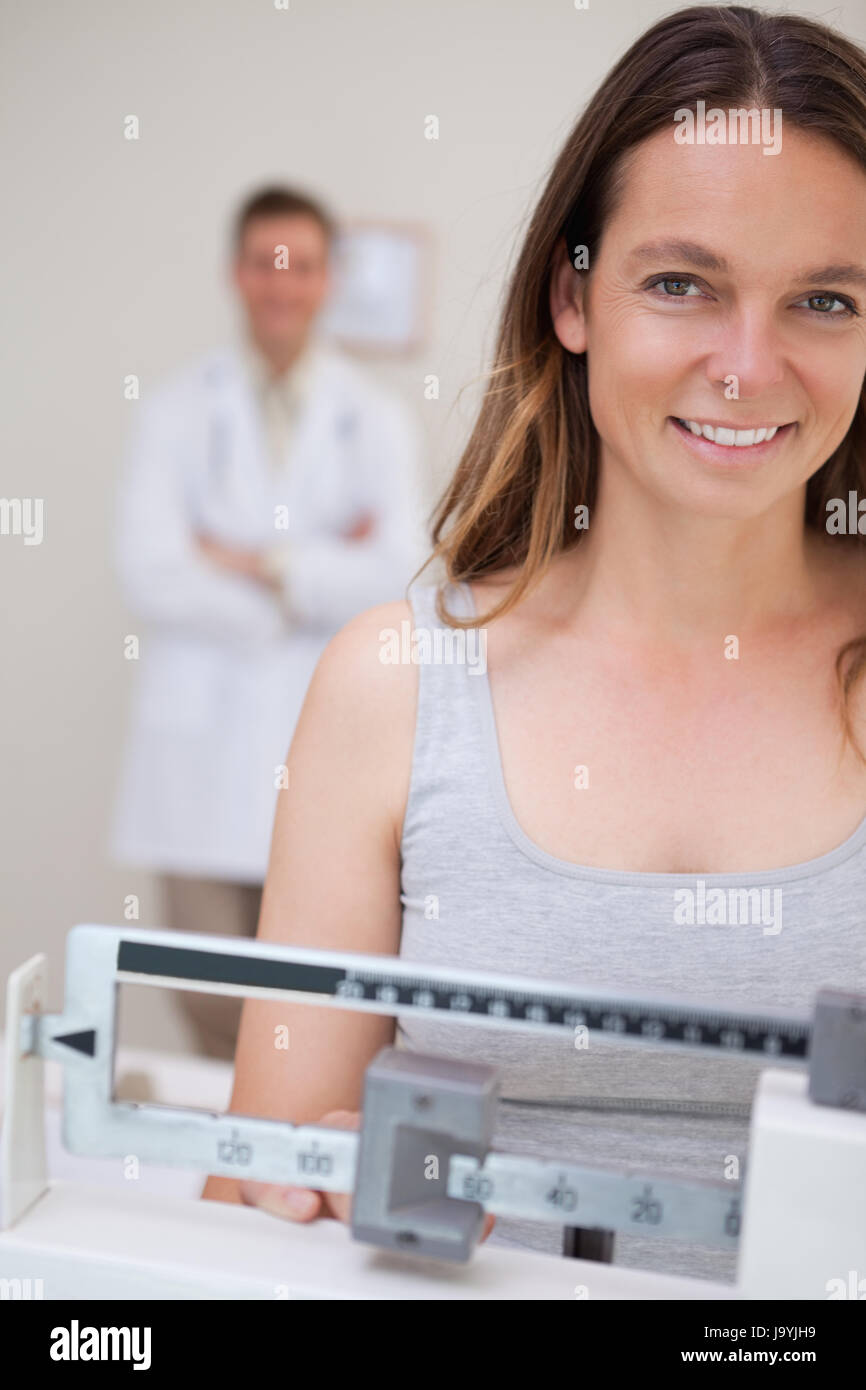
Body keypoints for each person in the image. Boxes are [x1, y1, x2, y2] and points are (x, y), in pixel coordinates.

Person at [202, 5, 866, 1285]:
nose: (746, 364)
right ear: (573, 295)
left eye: (823, 300)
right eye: (681, 282)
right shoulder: (391, 688)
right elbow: (252, 1182)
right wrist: (306, 1183)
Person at [111, 186, 427, 1060]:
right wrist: (315, 582)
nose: (281, 284)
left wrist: (259, 562)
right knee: (206, 995)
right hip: (200, 750)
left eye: (302, 265)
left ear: (329, 279)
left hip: (323, 737)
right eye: (264, 262)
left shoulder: (378, 419)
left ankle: (287, 1163)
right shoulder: (172, 411)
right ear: (235, 273)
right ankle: (222, 1176)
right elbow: (149, 572)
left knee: (316, 992)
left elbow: (398, 576)